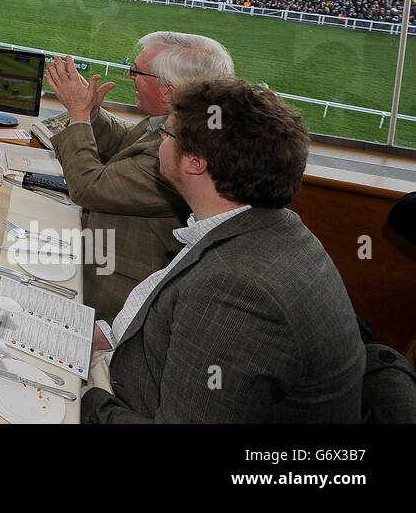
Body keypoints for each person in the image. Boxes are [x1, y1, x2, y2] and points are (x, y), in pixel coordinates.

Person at [83, 77, 365, 423]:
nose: (160, 141)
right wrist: (100, 337)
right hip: (120, 364)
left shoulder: (236, 289)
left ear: (195, 163)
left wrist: (87, 398)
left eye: (166, 134)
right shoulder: (264, 228)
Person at [44, 31, 233, 321]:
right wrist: (93, 113)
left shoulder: (184, 149)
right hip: (95, 250)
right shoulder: (172, 125)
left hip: (109, 287)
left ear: (169, 90)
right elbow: (128, 145)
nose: (130, 75)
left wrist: (79, 113)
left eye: (137, 71)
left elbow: (88, 187)